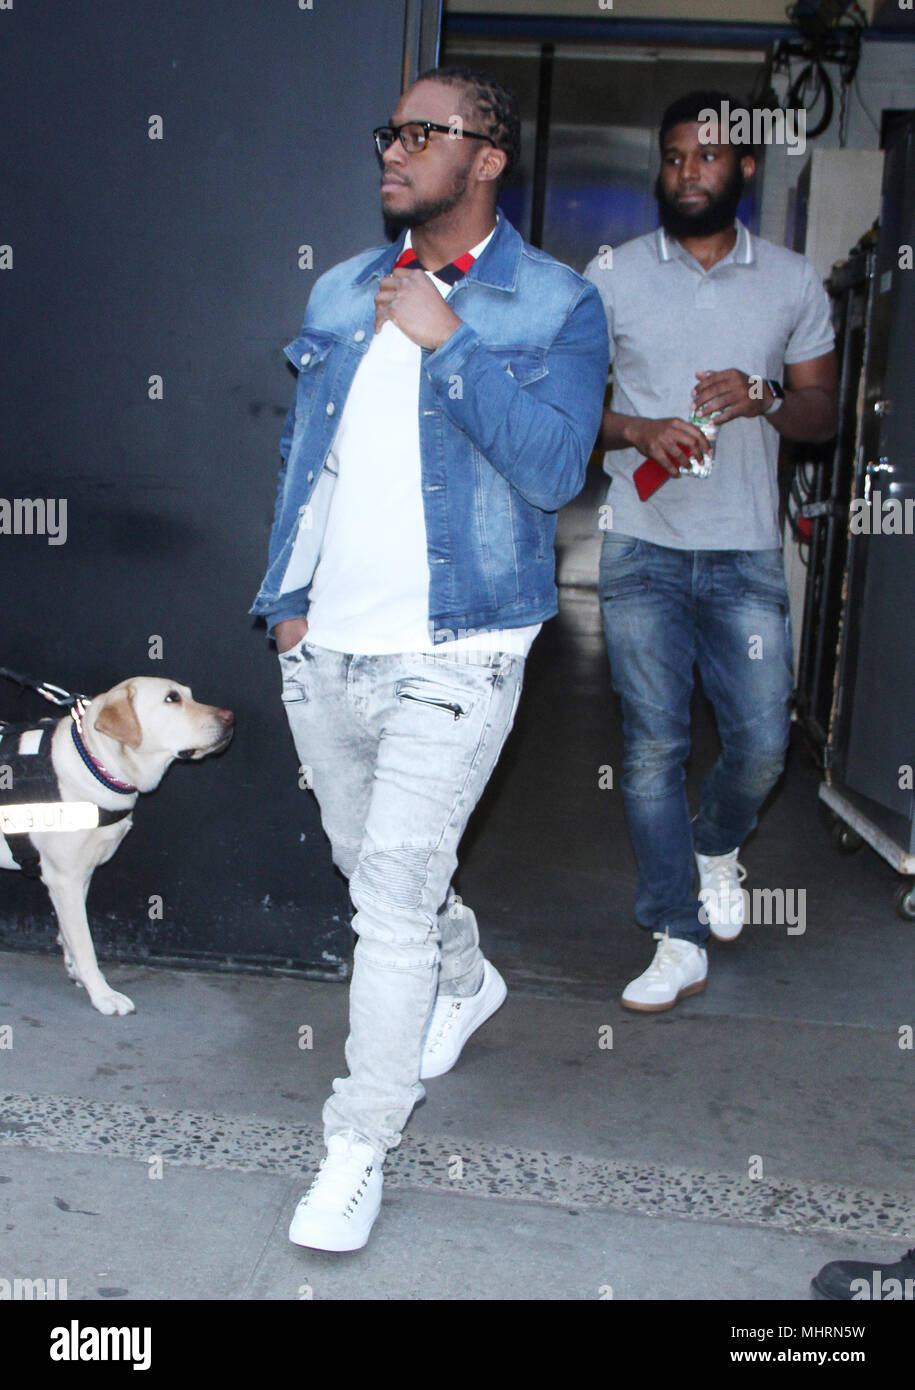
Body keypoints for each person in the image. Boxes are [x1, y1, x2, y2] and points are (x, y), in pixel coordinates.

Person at [250, 65, 608, 1249]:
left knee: (391, 900)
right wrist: (290, 605)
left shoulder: (553, 301)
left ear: (487, 158)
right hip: (330, 642)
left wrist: (449, 341)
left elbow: (559, 472)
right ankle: (466, 978)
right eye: (387, 131)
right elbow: (310, 460)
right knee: (374, 871)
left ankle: (357, 1143)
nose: (391, 151)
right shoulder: (345, 287)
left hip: (459, 651)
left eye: (421, 132)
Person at [584, 90, 837, 1012]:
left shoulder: (792, 280)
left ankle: (716, 846)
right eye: (674, 157)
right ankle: (673, 931)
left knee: (764, 742)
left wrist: (764, 393)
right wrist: (638, 429)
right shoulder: (608, 277)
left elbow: (822, 412)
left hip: (743, 556)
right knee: (652, 747)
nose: (687, 172)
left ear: (744, 168)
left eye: (706, 157)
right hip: (641, 545)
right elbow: (570, 413)